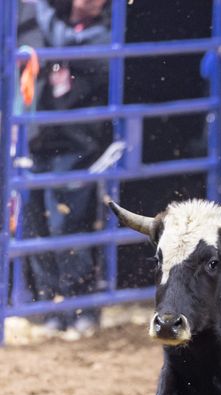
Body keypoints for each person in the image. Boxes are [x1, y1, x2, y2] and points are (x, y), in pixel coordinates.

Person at [23, 0, 111, 334]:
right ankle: (52, 309)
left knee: (68, 226)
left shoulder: (100, 36)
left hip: (77, 148)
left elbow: (62, 41)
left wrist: (40, 7)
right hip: (41, 142)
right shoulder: (48, 33)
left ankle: (81, 308)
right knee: (37, 227)